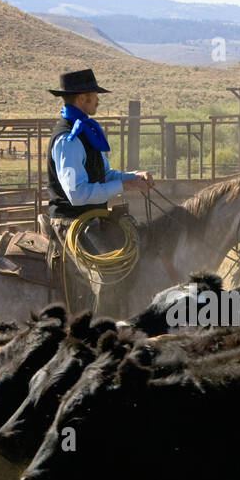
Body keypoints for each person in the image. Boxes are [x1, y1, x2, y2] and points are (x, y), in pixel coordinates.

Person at [45, 68, 155, 311]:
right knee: (107, 277)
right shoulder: (68, 139)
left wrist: (132, 177)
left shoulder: (86, 131)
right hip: (70, 221)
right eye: (95, 95)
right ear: (82, 98)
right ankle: (100, 331)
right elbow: (77, 194)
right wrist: (122, 185)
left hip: (90, 219)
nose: (98, 99)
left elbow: (104, 175)